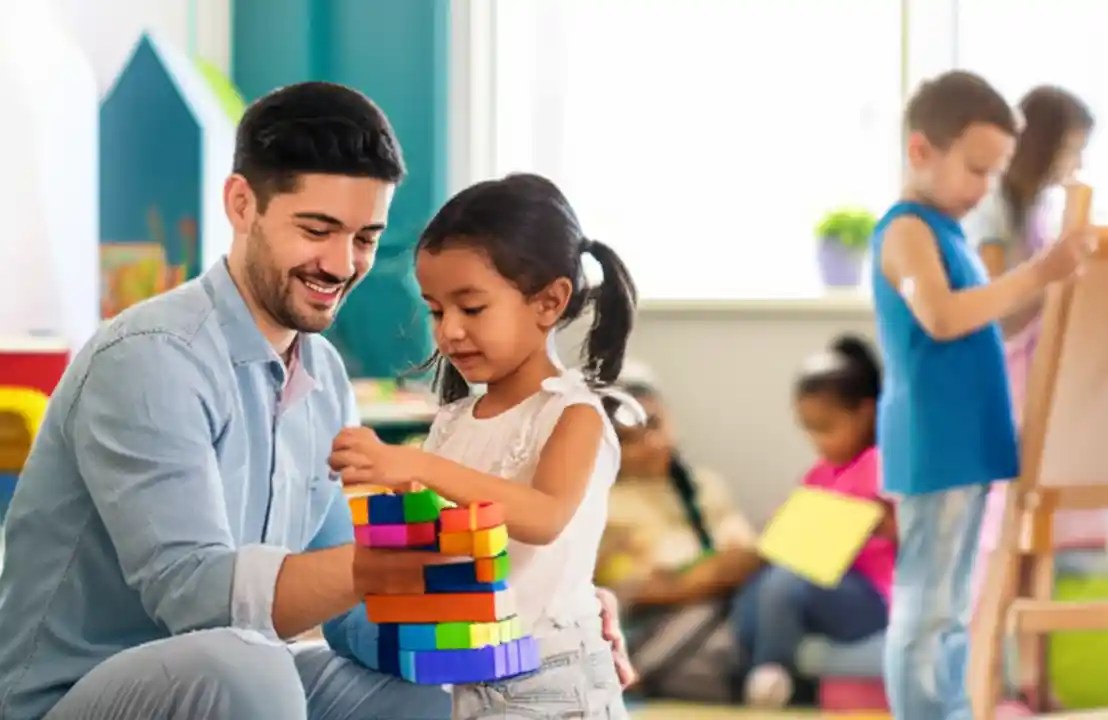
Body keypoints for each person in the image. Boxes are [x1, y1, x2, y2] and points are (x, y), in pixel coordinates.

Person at [0, 82, 631, 720]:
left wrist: (526, 616)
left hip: (237, 671)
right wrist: (390, 562)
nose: (341, 263)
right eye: (317, 229)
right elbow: (194, 599)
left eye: (364, 238)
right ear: (243, 205)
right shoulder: (151, 357)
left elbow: (348, 604)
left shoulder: (323, 377)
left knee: (421, 698)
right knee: (249, 667)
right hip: (76, 695)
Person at [328, 172, 635, 718]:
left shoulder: (572, 414)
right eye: (436, 310)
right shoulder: (454, 420)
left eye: (471, 309)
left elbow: (544, 517)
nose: (448, 333)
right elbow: (446, 540)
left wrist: (417, 464)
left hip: (555, 679)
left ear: (549, 302)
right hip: (472, 677)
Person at [869, 70, 1091, 719]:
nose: (985, 188)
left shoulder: (948, 232)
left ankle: (953, 708)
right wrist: (1037, 274)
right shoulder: (908, 230)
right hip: (934, 447)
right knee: (927, 604)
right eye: (975, 169)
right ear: (921, 152)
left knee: (954, 605)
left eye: (996, 174)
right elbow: (942, 317)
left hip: (965, 447)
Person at [964, 85, 1099, 711]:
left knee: (1030, 544)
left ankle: (1028, 687)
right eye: (1070, 147)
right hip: (1003, 383)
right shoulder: (995, 209)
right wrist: (1055, 280)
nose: (1074, 162)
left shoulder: (1035, 214)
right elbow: (996, 304)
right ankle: (988, 687)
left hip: (1036, 380)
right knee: (998, 545)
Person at [731, 334, 896, 709]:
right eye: (808, 428)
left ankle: (772, 672)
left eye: (825, 427)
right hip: (819, 586)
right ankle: (749, 673)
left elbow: (909, 532)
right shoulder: (820, 474)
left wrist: (878, 522)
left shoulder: (880, 464)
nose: (816, 440)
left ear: (865, 413)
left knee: (786, 582)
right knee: (759, 586)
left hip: (870, 597)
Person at [596, 364, 762, 704]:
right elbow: (637, 591)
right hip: (653, 624)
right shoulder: (605, 504)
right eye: (631, 440)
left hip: (727, 612)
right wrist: (710, 575)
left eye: (655, 425)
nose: (651, 444)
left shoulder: (706, 487)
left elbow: (746, 554)